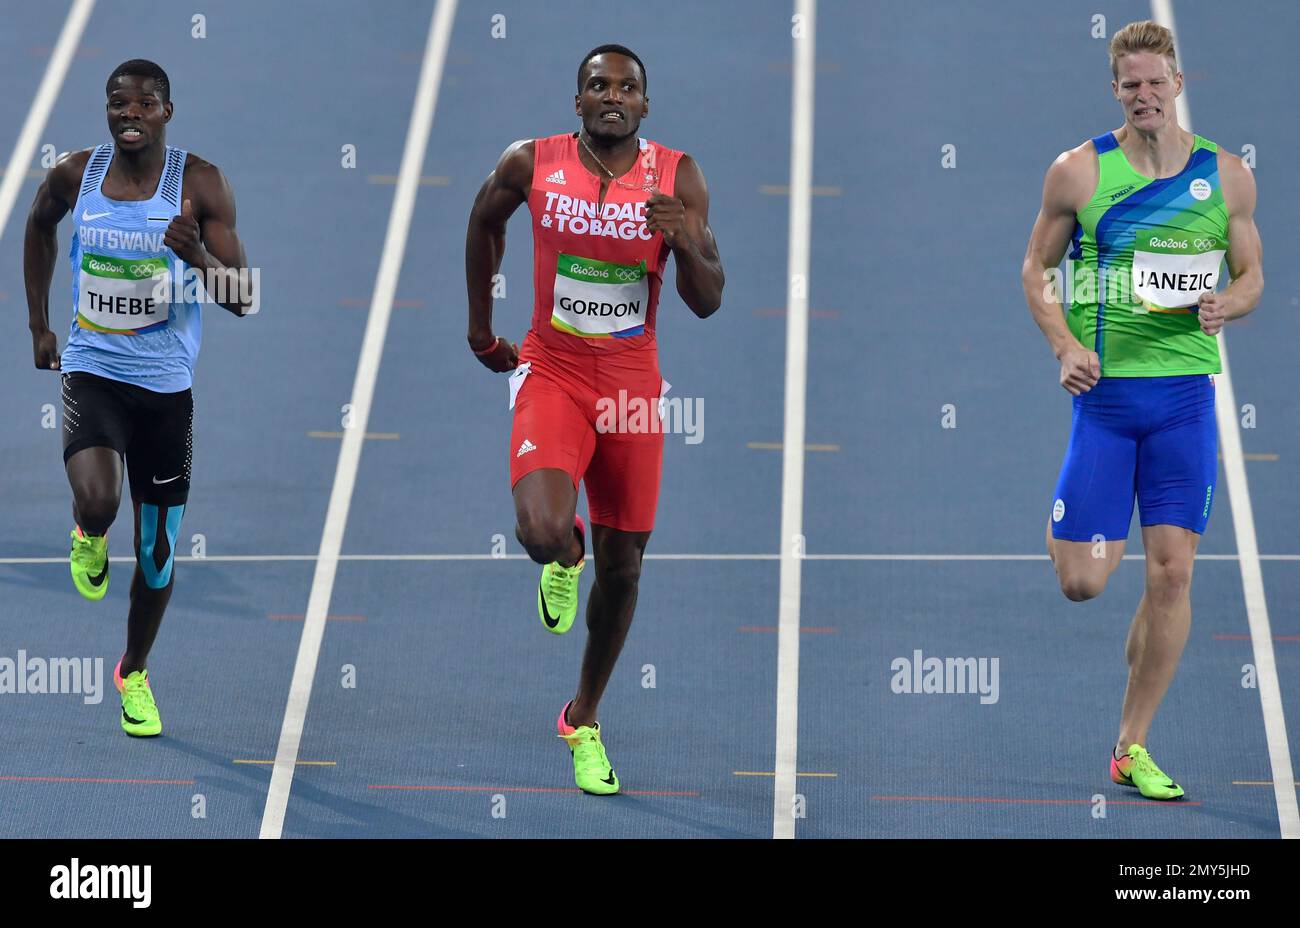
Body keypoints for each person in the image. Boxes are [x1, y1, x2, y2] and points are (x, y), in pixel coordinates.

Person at [465, 44, 724, 794]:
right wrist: (483, 332)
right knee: (542, 532)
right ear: (576, 102)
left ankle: (583, 718)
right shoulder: (531, 162)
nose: (613, 96)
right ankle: (563, 555)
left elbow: (708, 299)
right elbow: (484, 223)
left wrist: (685, 243)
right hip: (552, 370)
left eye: (628, 87)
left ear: (645, 105)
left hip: (631, 387)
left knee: (627, 568)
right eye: (598, 86)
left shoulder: (679, 177)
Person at [1021, 21, 1262, 799]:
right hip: (1106, 399)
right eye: (1131, 84)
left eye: (1157, 82)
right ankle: (1101, 558)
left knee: (1173, 576)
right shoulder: (1079, 173)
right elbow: (1035, 269)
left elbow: (1253, 271)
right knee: (1085, 583)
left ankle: (1132, 744)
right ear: (1115, 90)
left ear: (1178, 85)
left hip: (1186, 400)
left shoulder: (1225, 176)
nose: (1145, 95)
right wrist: (1062, 345)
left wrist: (1230, 300)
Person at [25, 59, 255, 737]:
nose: (130, 114)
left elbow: (244, 299)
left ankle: (134, 671)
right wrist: (40, 324)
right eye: (118, 104)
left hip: (165, 390)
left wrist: (199, 262)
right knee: (98, 499)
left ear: (166, 112)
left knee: (156, 554)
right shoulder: (76, 175)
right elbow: (39, 228)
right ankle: (88, 533)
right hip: (93, 368)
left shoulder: (201, 184)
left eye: (144, 104)